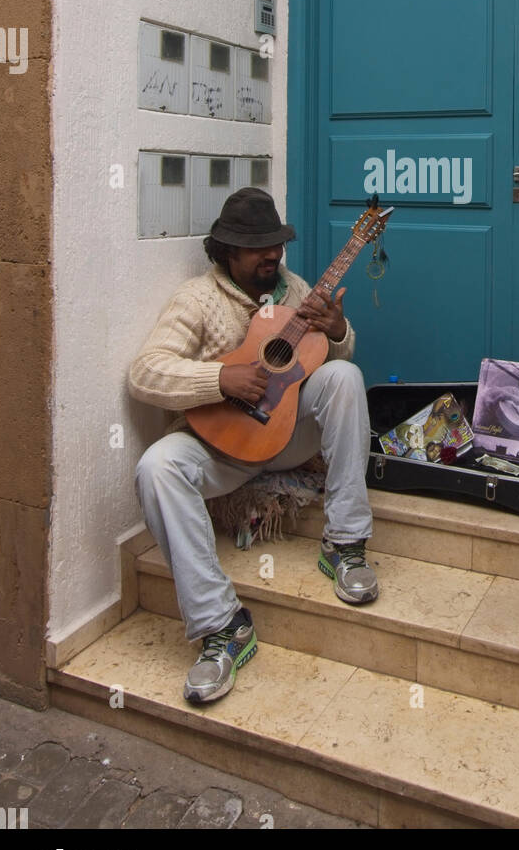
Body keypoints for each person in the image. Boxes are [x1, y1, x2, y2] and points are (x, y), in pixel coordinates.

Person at [128, 187, 377, 706]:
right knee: (156, 466)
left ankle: (345, 544)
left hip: (286, 438)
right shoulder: (196, 300)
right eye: (257, 247)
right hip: (222, 449)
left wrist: (338, 330)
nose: (271, 255)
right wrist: (220, 379)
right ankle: (222, 625)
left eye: (276, 244)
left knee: (346, 378)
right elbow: (145, 373)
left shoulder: (295, 290)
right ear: (226, 252)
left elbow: (323, 358)